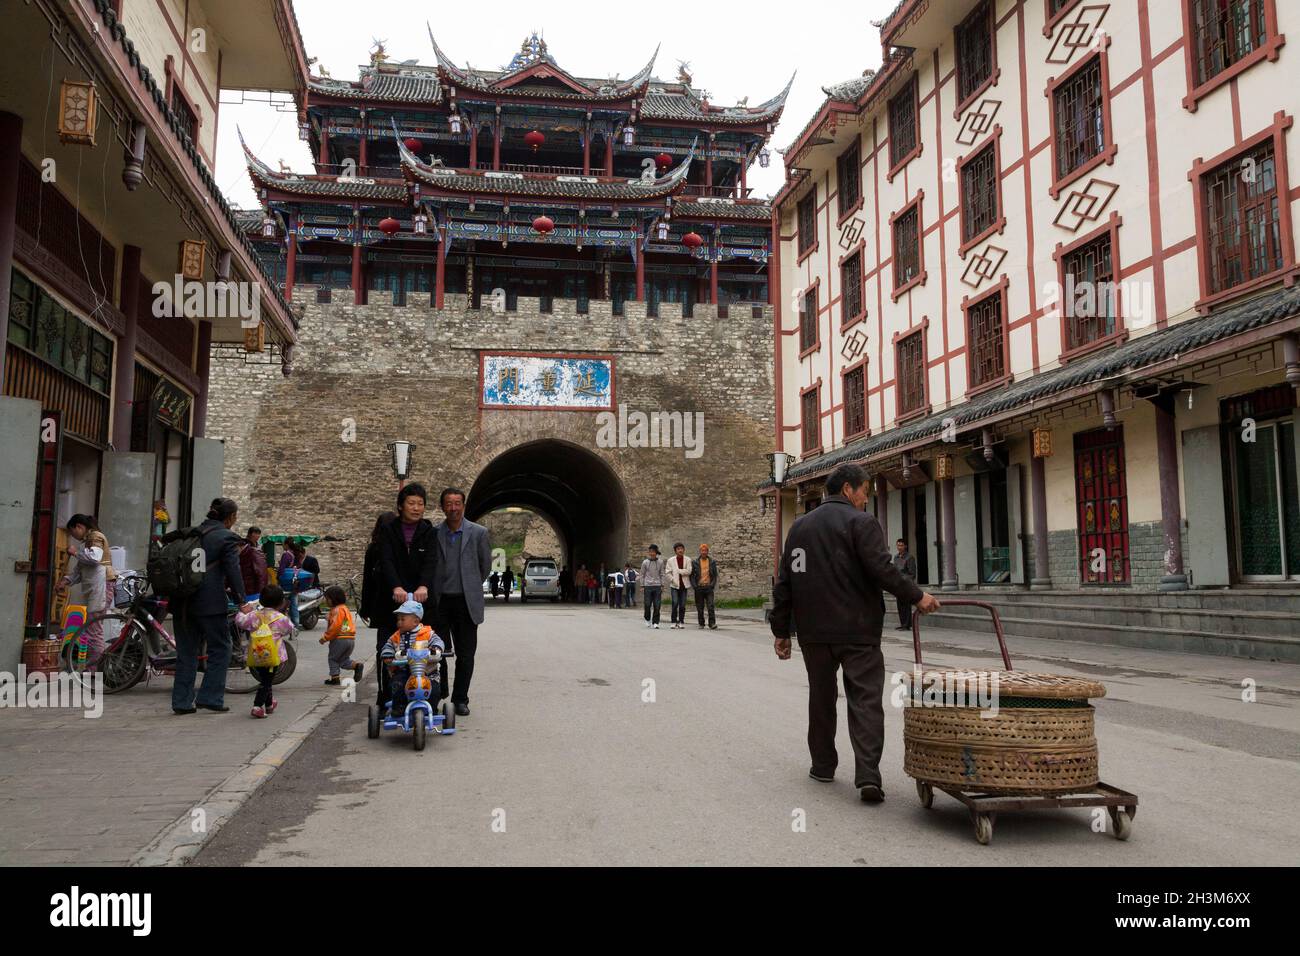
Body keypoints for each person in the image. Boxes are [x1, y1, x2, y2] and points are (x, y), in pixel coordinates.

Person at [771, 464, 941, 803]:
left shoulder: (799, 528)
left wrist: (782, 631)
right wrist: (917, 596)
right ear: (848, 489)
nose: (866, 498)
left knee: (821, 698)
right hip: (858, 629)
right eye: (864, 491)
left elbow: (785, 583)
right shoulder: (861, 523)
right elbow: (883, 570)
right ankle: (867, 776)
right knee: (864, 701)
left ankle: (822, 765)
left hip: (814, 633)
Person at [171, 497, 251, 715]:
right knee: (221, 648)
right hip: (210, 603)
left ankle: (182, 701)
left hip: (182, 602)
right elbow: (234, 573)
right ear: (231, 517)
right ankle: (210, 696)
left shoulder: (190, 533)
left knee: (186, 652)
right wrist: (241, 601)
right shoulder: (226, 538)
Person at [373, 486, 438, 712]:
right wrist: (396, 586)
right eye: (411, 503)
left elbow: (431, 563)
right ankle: (387, 698)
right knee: (388, 651)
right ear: (401, 505)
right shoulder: (389, 531)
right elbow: (387, 561)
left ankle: (431, 696)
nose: (416, 508)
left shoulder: (429, 532)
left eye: (420, 503)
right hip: (393, 599)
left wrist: (424, 586)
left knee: (429, 651)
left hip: (422, 601)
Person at [432, 488, 492, 717]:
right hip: (440, 602)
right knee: (438, 652)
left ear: (463, 506)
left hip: (466, 602)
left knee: (466, 654)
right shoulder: (434, 533)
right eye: (449, 503)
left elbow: (484, 566)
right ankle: (439, 694)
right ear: (442, 506)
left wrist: (471, 584)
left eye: (457, 503)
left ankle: (460, 699)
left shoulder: (478, 533)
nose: (453, 508)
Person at [56, 514, 116, 665]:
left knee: (93, 628)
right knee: (92, 627)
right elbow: (80, 569)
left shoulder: (95, 536)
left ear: (79, 527)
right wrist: (65, 581)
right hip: (96, 588)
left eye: (72, 532)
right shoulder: (87, 542)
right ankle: (94, 665)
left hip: (102, 586)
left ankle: (94, 667)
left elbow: (94, 558)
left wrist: (75, 552)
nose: (73, 536)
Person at [236, 583, 292, 718]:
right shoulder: (281, 619)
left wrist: (242, 612)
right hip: (272, 656)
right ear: (280, 603)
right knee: (266, 681)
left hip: (256, 655)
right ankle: (257, 706)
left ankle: (269, 704)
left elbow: (241, 622)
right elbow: (289, 629)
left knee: (267, 678)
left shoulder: (254, 616)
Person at [381, 599, 446, 716]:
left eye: (402, 619)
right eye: (398, 619)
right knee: (397, 685)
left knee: (434, 689)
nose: (399, 622)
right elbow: (388, 645)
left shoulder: (427, 633)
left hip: (427, 671)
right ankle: (399, 707)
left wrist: (436, 649)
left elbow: (438, 641)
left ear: (416, 621)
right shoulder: (396, 636)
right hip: (404, 670)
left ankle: (432, 708)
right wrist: (388, 654)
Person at [358, 512, 397, 627]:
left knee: (384, 639)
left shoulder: (374, 548)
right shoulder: (401, 547)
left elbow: (367, 581)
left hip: (380, 600)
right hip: (397, 600)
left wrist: (365, 608)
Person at [320, 585, 364, 685]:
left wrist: (325, 637)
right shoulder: (345, 609)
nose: (326, 601)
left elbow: (336, 626)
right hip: (350, 639)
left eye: (328, 599)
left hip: (339, 639)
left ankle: (335, 678)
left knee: (333, 658)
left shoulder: (337, 610)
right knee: (343, 660)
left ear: (334, 599)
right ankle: (356, 666)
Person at [690, 543, 720, 630]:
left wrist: (712, 585)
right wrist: (695, 586)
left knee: (710, 605)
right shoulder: (695, 562)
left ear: (707, 551)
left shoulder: (712, 562)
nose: (704, 552)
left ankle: (712, 623)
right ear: (700, 551)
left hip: (708, 587)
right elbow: (692, 575)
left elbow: (715, 575)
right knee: (700, 606)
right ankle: (701, 623)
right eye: (702, 551)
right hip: (699, 587)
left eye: (705, 550)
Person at [277, 540, 307, 627]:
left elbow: (281, 570)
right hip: (295, 583)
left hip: (286, 583)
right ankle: (295, 624)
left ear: (286, 545)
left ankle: (281, 624)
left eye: (283, 544)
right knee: (294, 605)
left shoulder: (286, 555)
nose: (283, 546)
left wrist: (278, 577)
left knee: (281, 604)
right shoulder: (296, 555)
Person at [892, 538, 918, 630]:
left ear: (905, 546)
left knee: (906, 604)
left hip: (906, 584)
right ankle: (902, 623)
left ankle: (907, 625)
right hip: (898, 584)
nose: (899, 547)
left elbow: (912, 574)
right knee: (900, 604)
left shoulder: (909, 557)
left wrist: (906, 581)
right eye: (898, 545)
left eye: (901, 545)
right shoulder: (896, 557)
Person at [665, 542, 692, 629]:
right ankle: (673, 621)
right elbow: (668, 572)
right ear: (675, 551)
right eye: (678, 549)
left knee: (683, 605)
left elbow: (689, 571)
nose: (680, 550)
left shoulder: (688, 559)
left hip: (684, 585)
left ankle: (681, 621)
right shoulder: (671, 560)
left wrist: (679, 571)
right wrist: (672, 580)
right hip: (674, 585)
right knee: (675, 603)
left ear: (684, 550)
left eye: (681, 549)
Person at [239, 526, 268, 603]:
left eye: (259, 534)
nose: (258, 536)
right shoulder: (250, 548)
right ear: (251, 534)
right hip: (251, 587)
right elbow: (261, 573)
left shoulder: (255, 547)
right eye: (257, 534)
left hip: (248, 586)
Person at [640, 545, 665, 629]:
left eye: (653, 551)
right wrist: (642, 585)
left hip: (657, 586)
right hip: (647, 586)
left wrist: (662, 585)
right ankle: (647, 619)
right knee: (647, 604)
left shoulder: (660, 562)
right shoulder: (645, 562)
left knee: (657, 605)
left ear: (656, 552)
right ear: (649, 552)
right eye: (650, 551)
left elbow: (662, 574)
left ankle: (655, 622)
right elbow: (642, 574)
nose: (652, 553)